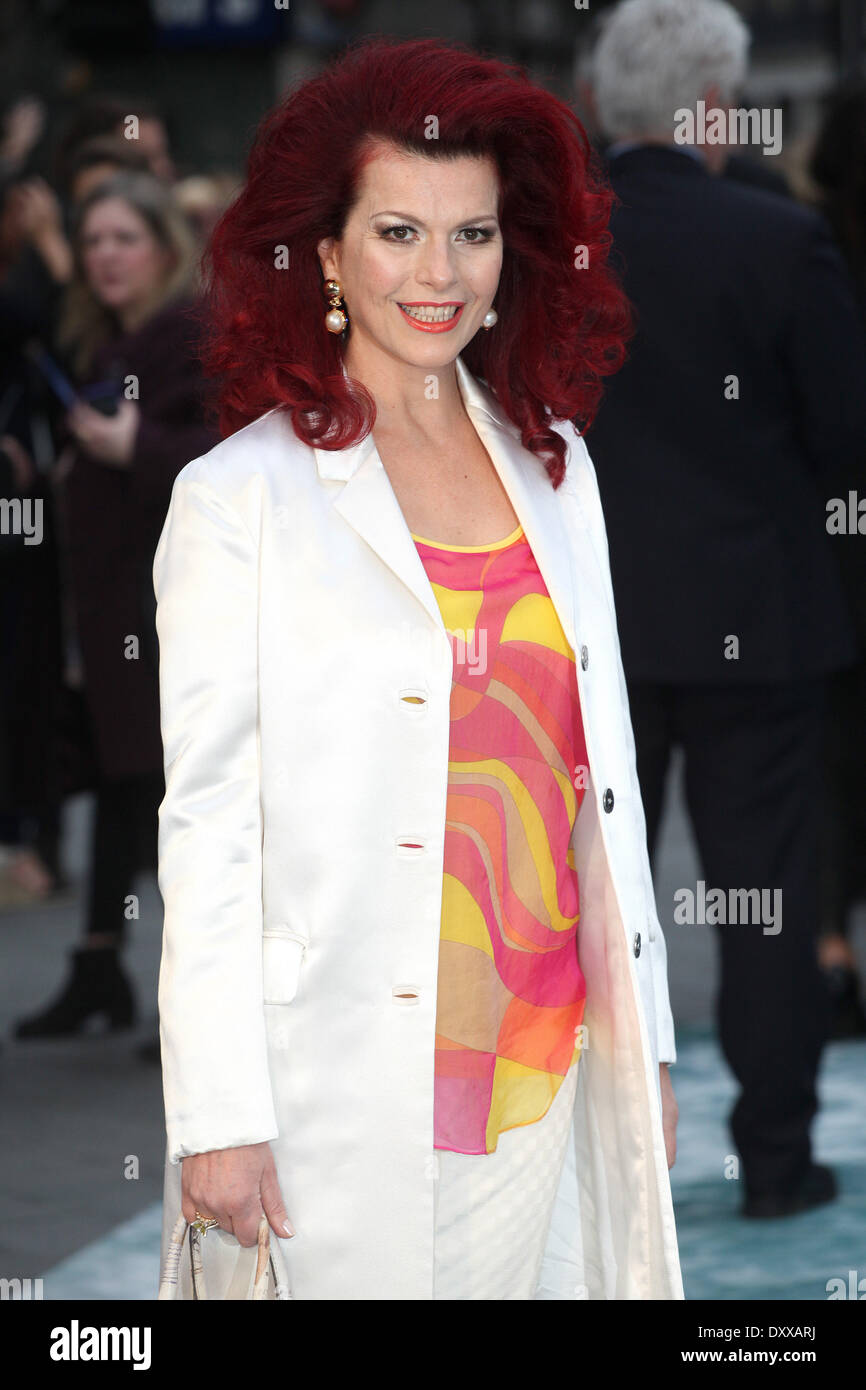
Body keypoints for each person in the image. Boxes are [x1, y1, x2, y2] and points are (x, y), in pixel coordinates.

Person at [154, 35, 682, 1300]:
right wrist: (216, 1112)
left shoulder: (555, 468)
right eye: (397, 232)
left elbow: (597, 780)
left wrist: (645, 1047)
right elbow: (208, 826)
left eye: (473, 235)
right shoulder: (238, 501)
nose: (438, 275)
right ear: (325, 254)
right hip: (337, 1086)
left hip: (546, 1063)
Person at [585, 0, 866, 1216]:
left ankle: (596, 1170)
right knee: (765, 900)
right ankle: (774, 1158)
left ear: (605, 103)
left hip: (595, 628)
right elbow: (845, 431)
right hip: (757, 617)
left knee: (595, 910)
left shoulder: (548, 243)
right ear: (711, 106)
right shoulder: (776, 238)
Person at [13, 172, 218, 1040]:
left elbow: (234, 454)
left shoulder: (191, 337)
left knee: (179, 802)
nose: (103, 256)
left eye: (122, 238)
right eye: (92, 240)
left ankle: (198, 1001)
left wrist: (138, 445)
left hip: (169, 613)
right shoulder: (109, 343)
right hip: (107, 618)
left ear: (166, 249)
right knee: (123, 788)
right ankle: (100, 966)